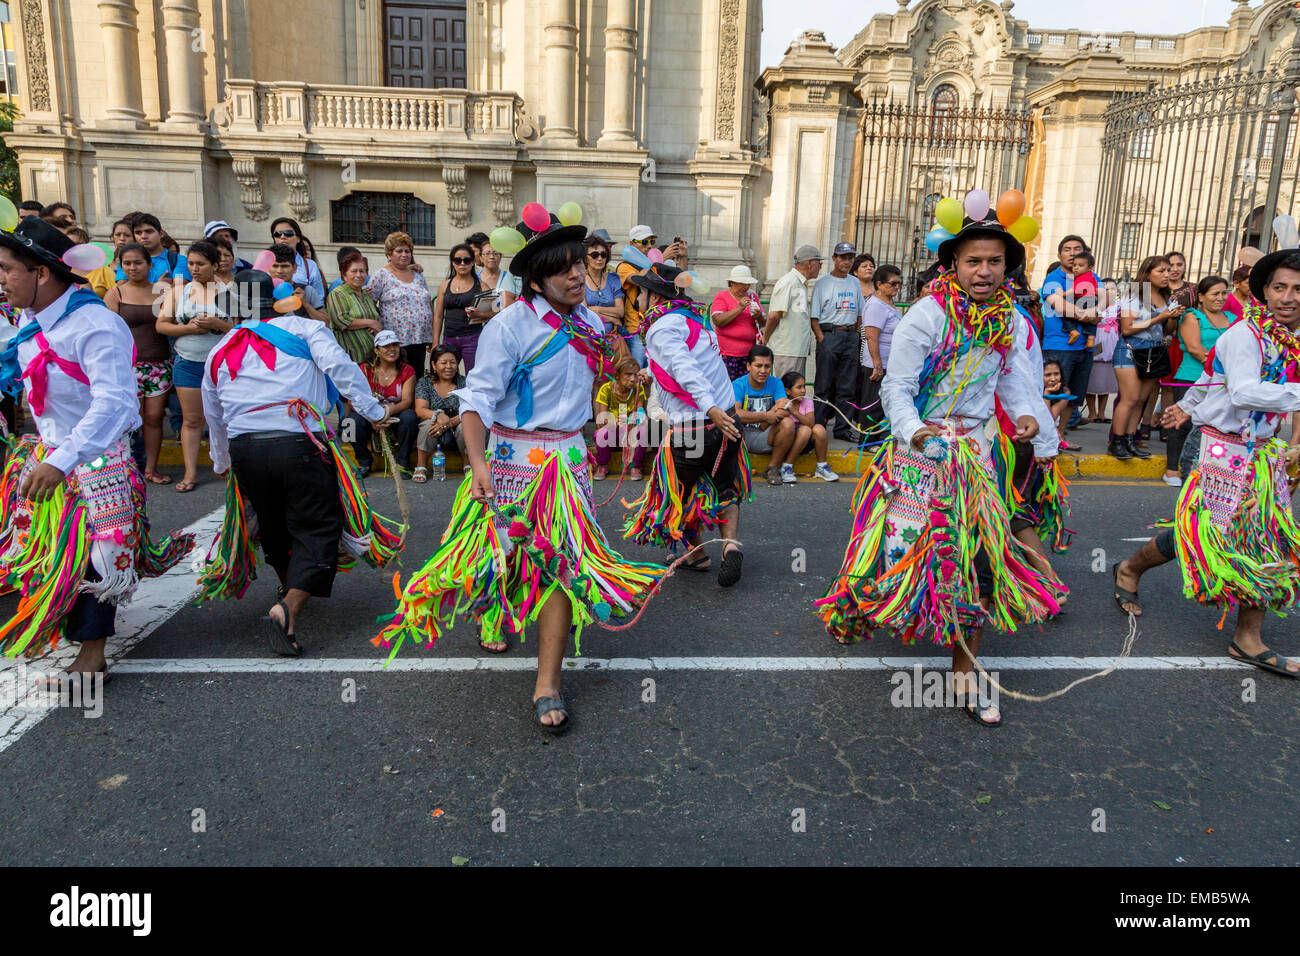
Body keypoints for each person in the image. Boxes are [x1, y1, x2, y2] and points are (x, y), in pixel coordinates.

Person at [377, 212, 665, 723]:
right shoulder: (508, 327)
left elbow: (604, 367)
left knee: (560, 565)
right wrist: (479, 463)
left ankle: (548, 682)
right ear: (536, 281)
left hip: (568, 463)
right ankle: (495, 614)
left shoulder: (591, 323)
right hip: (513, 461)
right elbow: (476, 401)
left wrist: (627, 375)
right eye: (564, 269)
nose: (577, 275)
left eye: (579, 264)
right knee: (502, 552)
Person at [815, 211, 1064, 728]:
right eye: (973, 261)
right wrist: (917, 432)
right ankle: (853, 605)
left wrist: (1026, 418)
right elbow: (896, 387)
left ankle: (964, 676)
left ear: (1008, 267)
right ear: (954, 264)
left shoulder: (1013, 322)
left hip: (974, 457)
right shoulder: (927, 315)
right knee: (895, 552)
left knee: (977, 561)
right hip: (918, 453)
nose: (984, 271)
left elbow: (1015, 381)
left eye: (995, 261)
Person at [0, 217, 195, 677]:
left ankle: (93, 654)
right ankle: (63, 620)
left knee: (101, 554)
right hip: (50, 452)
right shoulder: (28, 321)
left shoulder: (95, 324)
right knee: (45, 548)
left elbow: (115, 403)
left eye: (7, 269)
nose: (1, 279)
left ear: (40, 273)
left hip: (99, 457)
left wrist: (64, 461)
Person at [1113, 249, 1300, 679]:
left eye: (1297, 289)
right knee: (1201, 535)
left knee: (1262, 536)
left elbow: (1211, 377)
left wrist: (1189, 405)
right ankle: (1129, 567)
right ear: (1265, 291)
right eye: (1279, 287)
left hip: (1264, 452)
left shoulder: (1289, 338)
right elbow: (1244, 392)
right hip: (1222, 448)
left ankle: (1247, 638)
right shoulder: (1246, 335)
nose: (1288, 297)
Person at [197, 271, 402, 655]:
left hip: (246, 448)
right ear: (277, 303)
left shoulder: (221, 347)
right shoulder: (305, 329)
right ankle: (288, 607)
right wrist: (373, 411)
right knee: (319, 524)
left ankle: (288, 586)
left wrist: (222, 461)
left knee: (273, 525)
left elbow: (214, 412)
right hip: (299, 442)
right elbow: (342, 369)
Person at [624, 262, 750, 585]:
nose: (636, 299)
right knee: (725, 486)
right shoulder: (695, 321)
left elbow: (684, 368)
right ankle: (731, 546)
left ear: (654, 296)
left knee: (677, 495)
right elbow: (696, 363)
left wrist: (709, 407)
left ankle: (696, 554)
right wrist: (652, 373)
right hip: (729, 422)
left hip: (696, 427)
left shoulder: (661, 327)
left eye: (640, 292)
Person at [155, 239, 233, 492]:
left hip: (221, 365)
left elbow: (241, 329)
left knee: (225, 417)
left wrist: (217, 324)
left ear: (214, 265)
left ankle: (228, 466)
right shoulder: (179, 292)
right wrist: (188, 329)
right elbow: (161, 325)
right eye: (191, 263)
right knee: (192, 420)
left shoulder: (229, 291)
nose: (195, 269)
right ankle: (190, 474)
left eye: (201, 264)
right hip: (187, 362)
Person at [104, 243, 174, 484]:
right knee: (131, 420)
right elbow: (109, 333)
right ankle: (127, 469)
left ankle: (151, 469)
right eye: (127, 263)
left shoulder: (162, 292)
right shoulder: (115, 294)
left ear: (149, 265)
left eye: (138, 263)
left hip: (159, 365)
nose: (132, 267)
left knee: (154, 418)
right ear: (120, 266)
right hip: (127, 367)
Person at [1109, 256, 1184, 461]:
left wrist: (1173, 317)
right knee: (1130, 398)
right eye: (1161, 271)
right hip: (1130, 350)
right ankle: (1117, 442)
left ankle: (1130, 440)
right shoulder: (1135, 294)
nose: (1167, 274)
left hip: (1153, 351)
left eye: (1168, 270)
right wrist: (1160, 316)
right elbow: (1127, 329)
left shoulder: (1166, 296)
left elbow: (1166, 329)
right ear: (1148, 273)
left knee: (1141, 400)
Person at [1164, 275, 1232, 485]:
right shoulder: (1192, 316)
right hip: (1191, 377)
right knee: (1182, 423)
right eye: (1215, 293)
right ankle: (1172, 469)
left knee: (1213, 426)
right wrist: (1223, 369)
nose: (1220, 298)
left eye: (1224, 293)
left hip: (1222, 382)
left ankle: (1204, 469)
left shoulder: (1233, 318)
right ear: (1201, 296)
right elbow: (1194, 348)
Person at [810, 242, 866, 441]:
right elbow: (814, 317)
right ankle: (818, 426)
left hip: (849, 335)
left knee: (847, 386)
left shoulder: (854, 282)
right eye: (843, 257)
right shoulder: (823, 283)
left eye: (850, 258)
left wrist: (855, 334)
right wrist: (822, 339)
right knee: (823, 385)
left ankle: (843, 428)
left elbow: (860, 312)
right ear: (834, 259)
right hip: (830, 334)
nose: (847, 262)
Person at [1040, 235, 1096, 431]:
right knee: (1054, 394)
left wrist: (1097, 312)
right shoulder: (1054, 278)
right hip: (1059, 346)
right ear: (1059, 255)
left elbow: (1107, 301)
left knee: (1074, 397)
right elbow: (1060, 306)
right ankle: (1047, 436)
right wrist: (1090, 316)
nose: (1072, 253)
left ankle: (1061, 434)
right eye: (1067, 249)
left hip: (1085, 347)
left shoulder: (1092, 277)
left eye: (1077, 249)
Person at [345, 330, 418, 478]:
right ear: (376, 350)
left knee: (410, 417)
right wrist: (372, 418)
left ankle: (402, 463)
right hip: (368, 416)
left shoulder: (407, 370)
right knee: (349, 423)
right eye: (386, 346)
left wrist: (385, 413)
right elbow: (353, 401)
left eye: (395, 345)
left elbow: (406, 401)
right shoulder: (365, 369)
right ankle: (363, 462)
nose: (392, 349)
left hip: (394, 416)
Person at [734, 344, 803, 486]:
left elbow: (784, 409)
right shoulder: (738, 385)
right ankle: (736, 467)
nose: (763, 371)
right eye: (758, 366)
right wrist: (767, 415)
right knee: (731, 424)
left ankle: (772, 468)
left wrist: (769, 416)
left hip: (766, 434)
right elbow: (736, 414)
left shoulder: (776, 383)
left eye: (767, 366)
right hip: (743, 436)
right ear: (748, 366)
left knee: (788, 423)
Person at [365, 231, 432, 376]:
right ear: (389, 255)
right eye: (399, 251)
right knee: (400, 377)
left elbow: (427, 301)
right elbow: (369, 304)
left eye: (407, 251)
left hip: (419, 338)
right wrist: (375, 324)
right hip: (395, 341)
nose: (404, 254)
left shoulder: (418, 275)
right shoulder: (381, 275)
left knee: (417, 376)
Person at [763, 245, 821, 380]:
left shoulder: (799, 282)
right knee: (787, 387)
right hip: (787, 348)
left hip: (795, 348)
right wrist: (765, 338)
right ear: (809, 264)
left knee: (793, 387)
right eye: (819, 263)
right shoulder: (789, 282)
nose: (820, 267)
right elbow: (774, 315)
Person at [413, 344, 466, 483]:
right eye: (443, 363)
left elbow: (470, 410)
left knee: (466, 426)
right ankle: (421, 466)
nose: (449, 366)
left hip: (457, 423)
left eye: (452, 362)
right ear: (434, 365)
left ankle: (468, 464)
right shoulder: (425, 382)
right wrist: (438, 415)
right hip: (435, 425)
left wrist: (449, 423)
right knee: (427, 425)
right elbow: (420, 409)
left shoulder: (464, 382)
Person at [860, 263, 903, 429]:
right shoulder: (876, 306)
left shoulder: (889, 304)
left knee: (883, 404)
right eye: (893, 283)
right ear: (879, 284)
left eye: (899, 283)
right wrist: (877, 365)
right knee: (873, 405)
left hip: (889, 363)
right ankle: (867, 438)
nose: (897, 287)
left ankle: (877, 437)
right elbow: (872, 337)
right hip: (878, 364)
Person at [431, 242, 484, 374]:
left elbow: (494, 313)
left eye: (467, 260)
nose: (462, 264)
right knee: (446, 375)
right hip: (449, 337)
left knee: (473, 376)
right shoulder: (444, 285)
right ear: (452, 262)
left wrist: (480, 315)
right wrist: (435, 341)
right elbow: (438, 316)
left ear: (473, 262)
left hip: (473, 338)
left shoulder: (481, 286)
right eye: (458, 260)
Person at [592, 356, 647, 481]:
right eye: (628, 374)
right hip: (613, 436)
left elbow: (640, 413)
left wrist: (638, 417)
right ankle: (602, 465)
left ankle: (636, 466)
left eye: (635, 374)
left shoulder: (638, 389)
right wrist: (618, 422)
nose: (633, 379)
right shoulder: (606, 389)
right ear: (617, 375)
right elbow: (602, 419)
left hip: (630, 437)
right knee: (601, 433)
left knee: (643, 430)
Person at [326, 251, 382, 364]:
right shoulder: (338, 294)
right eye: (354, 271)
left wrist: (375, 326)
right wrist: (370, 323)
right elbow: (341, 320)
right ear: (344, 275)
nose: (359, 275)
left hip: (372, 356)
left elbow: (376, 319)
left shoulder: (366, 295)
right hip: (351, 357)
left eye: (362, 271)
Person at [614, 226, 658, 368]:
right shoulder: (625, 267)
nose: (649, 246)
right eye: (644, 242)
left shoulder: (654, 265)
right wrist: (658, 261)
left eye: (652, 242)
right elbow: (641, 280)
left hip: (654, 329)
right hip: (635, 330)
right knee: (635, 371)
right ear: (632, 244)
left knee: (651, 374)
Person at [711, 264, 764, 381]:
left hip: (749, 354)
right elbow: (718, 320)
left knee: (745, 385)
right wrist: (740, 307)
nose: (746, 287)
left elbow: (763, 323)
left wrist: (759, 316)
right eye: (742, 283)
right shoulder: (722, 297)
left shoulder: (753, 297)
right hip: (727, 354)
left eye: (748, 284)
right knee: (728, 385)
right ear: (731, 283)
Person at [779, 370, 831, 482]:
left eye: (804, 387)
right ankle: (787, 467)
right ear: (788, 391)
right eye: (799, 387)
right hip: (786, 442)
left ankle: (822, 466)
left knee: (819, 428)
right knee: (805, 430)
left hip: (803, 442)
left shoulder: (807, 402)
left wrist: (794, 411)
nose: (803, 390)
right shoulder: (782, 402)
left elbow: (810, 423)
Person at [268, 217, 325, 310]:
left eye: (288, 233)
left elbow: (319, 299)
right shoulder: (265, 263)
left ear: (298, 238)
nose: (283, 237)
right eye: (277, 234)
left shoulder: (310, 265)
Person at [1086, 277, 1120, 425]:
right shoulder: (1095, 305)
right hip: (1098, 342)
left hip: (1111, 345)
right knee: (1092, 379)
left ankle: (1101, 412)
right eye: (1105, 289)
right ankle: (1092, 412)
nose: (1109, 292)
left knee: (1106, 381)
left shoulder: (1119, 306)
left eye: (1112, 289)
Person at [265, 243, 328, 323]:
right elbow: (252, 324)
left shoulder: (307, 291)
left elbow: (326, 323)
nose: (279, 271)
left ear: (294, 268)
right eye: (275, 266)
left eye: (285, 266)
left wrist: (306, 304)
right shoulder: (260, 291)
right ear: (268, 267)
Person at [121, 213, 190, 285]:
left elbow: (178, 287)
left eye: (149, 231)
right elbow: (122, 288)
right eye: (138, 233)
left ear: (161, 234)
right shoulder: (126, 261)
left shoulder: (179, 260)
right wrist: (158, 286)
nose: (143, 236)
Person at [582, 234, 625, 335]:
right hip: (589, 336)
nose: (600, 258)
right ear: (586, 258)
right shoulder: (580, 280)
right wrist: (612, 319)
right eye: (594, 255)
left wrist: (596, 309)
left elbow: (620, 311)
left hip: (612, 337)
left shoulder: (613, 279)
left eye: (603, 254)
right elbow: (584, 314)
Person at [85, 219, 134, 298]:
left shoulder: (139, 262)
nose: (122, 238)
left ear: (135, 238)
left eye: (127, 235)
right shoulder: (104, 262)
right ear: (113, 237)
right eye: (118, 235)